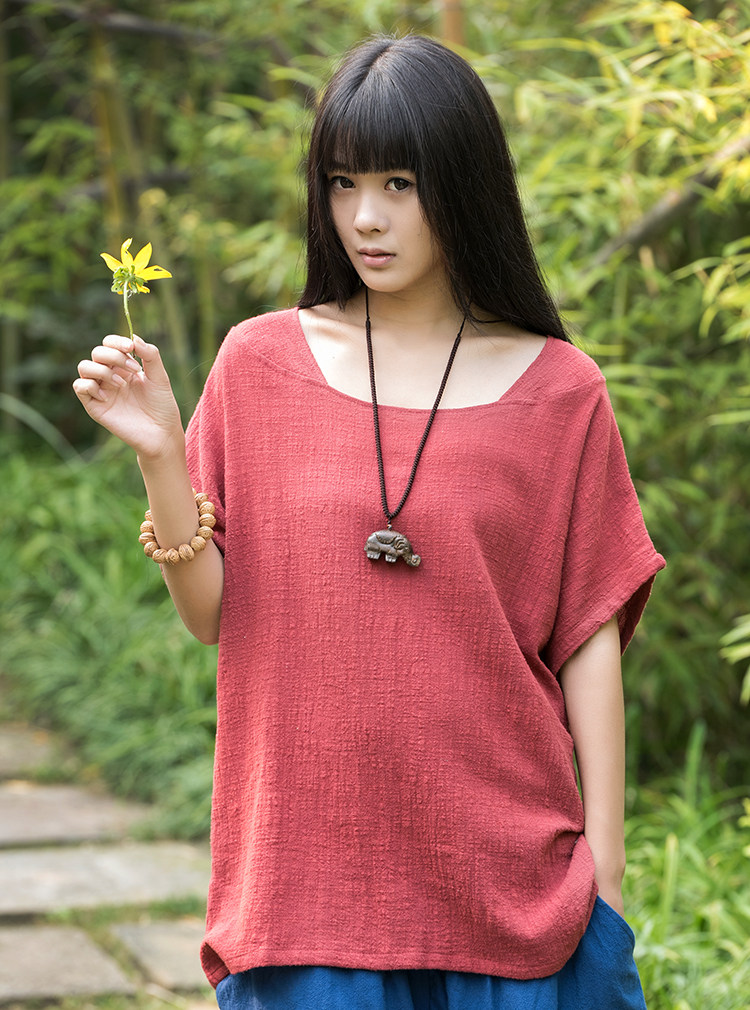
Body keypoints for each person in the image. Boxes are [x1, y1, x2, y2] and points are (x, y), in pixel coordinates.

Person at [74, 33, 664, 1010]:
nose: (365, 217)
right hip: (306, 889)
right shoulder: (258, 362)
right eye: (343, 183)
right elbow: (213, 613)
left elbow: (588, 637)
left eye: (399, 183)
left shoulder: (562, 390)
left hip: (513, 893)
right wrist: (162, 455)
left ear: (464, 185)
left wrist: (606, 869)